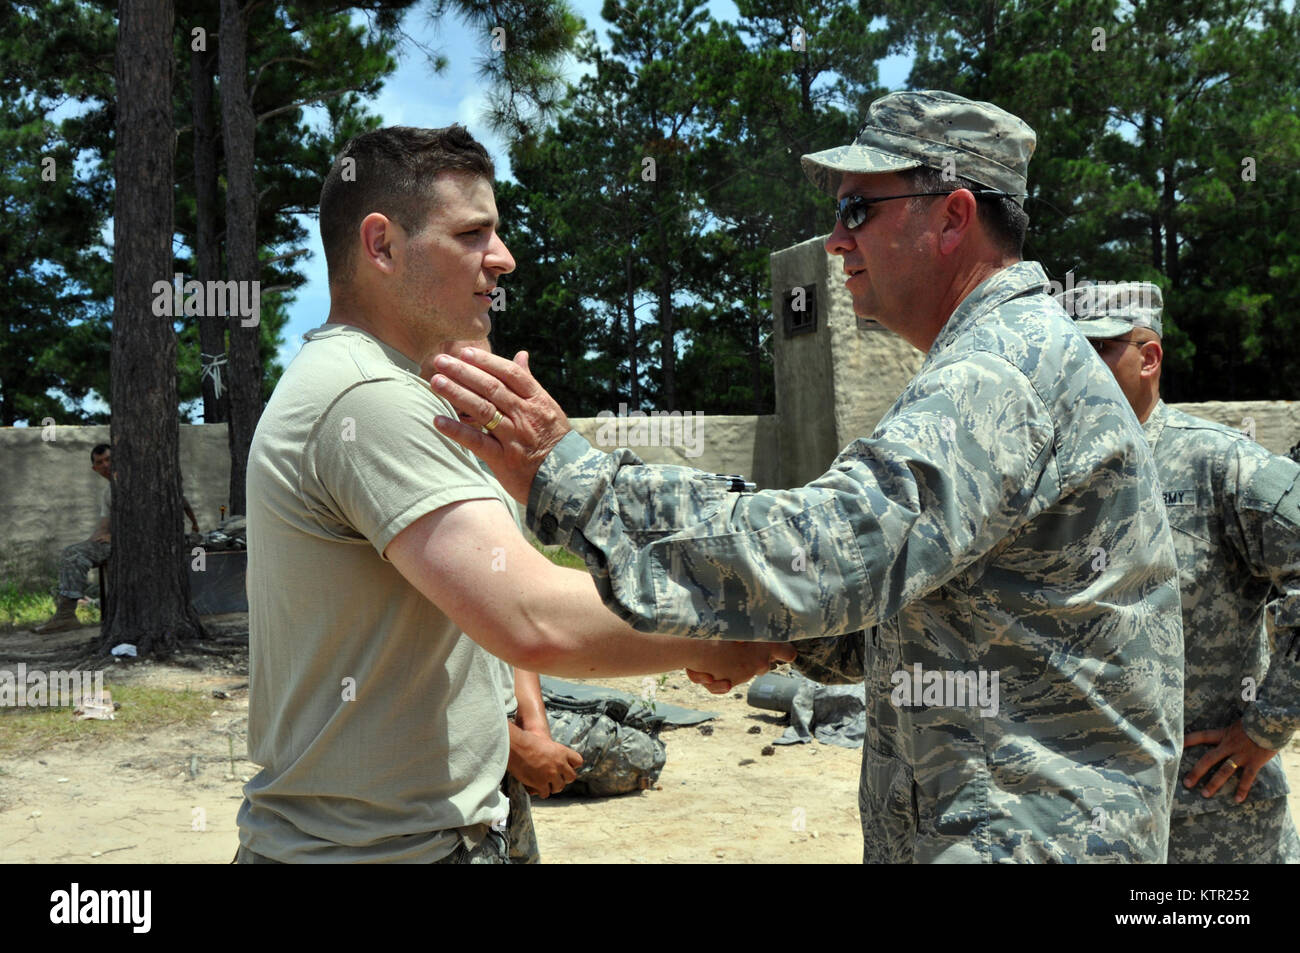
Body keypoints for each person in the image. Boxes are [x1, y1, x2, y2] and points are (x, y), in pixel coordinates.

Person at [429, 90, 1186, 863]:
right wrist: (773, 637)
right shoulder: (998, 356)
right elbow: (924, 603)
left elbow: (829, 550)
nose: (834, 241)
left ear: (954, 217)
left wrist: (573, 477)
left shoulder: (1001, 367)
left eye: (858, 210)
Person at [235, 125, 788, 864]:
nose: (504, 259)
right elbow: (531, 614)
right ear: (382, 246)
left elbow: (495, 597)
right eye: (472, 233)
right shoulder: (365, 398)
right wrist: (725, 623)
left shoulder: (405, 389)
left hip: (441, 827)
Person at [1066, 280, 1300, 863]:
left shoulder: (1222, 465)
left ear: (1149, 358)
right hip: (1090, 817)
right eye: (1068, 355)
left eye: (1098, 351)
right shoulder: (1049, 477)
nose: (1076, 372)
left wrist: (1266, 728)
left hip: (1212, 822)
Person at [35, 444, 200, 633]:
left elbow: (154, 518)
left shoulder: (139, 481)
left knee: (76, 553)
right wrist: (88, 546)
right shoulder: (108, 492)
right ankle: (66, 615)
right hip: (123, 543)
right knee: (73, 553)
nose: (105, 465)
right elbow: (104, 525)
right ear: (94, 469)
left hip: (151, 543)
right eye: (100, 462)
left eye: (109, 459)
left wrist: (194, 524)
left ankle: (66, 615)